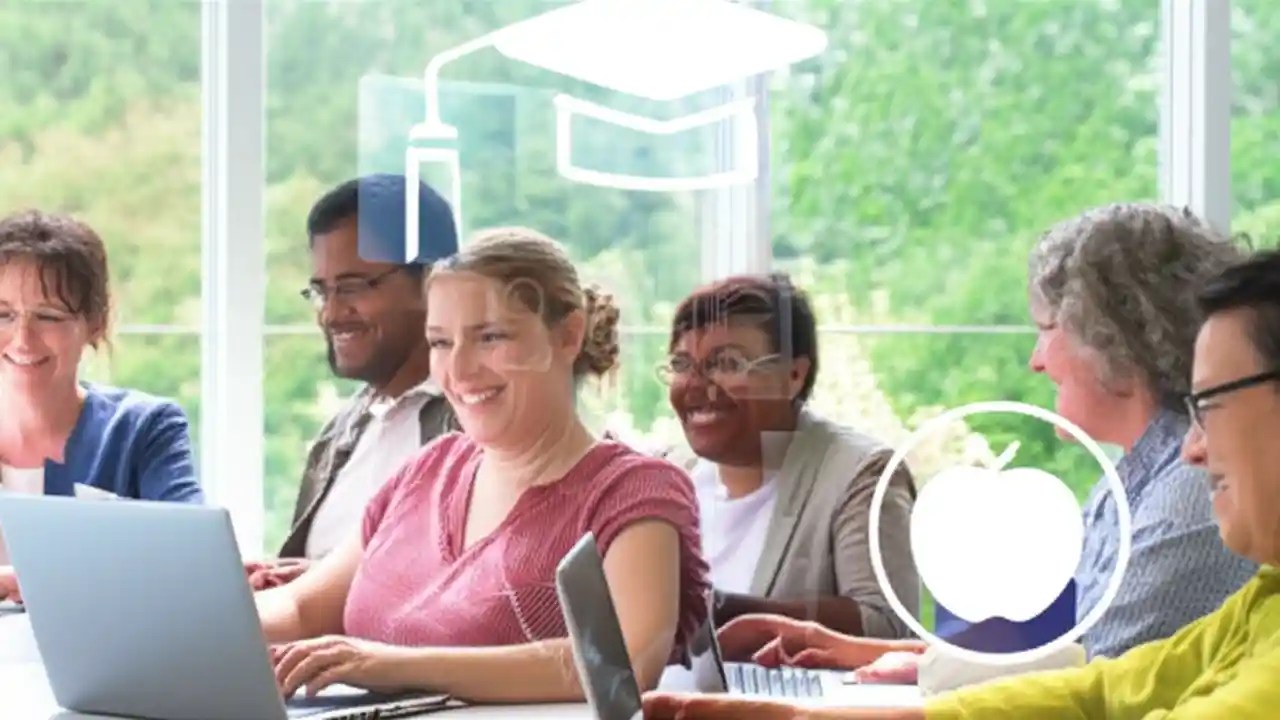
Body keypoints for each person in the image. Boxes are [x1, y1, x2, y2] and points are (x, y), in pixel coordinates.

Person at [642, 249, 1280, 719]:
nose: (1193, 447)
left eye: (1208, 408)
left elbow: (1103, 675)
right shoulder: (1264, 598)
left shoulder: (1180, 511)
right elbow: (1102, 686)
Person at [254, 226, 710, 703]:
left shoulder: (633, 492)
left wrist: (389, 664)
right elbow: (304, 608)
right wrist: (199, 620)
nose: (459, 370)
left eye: (490, 337)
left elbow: (624, 663)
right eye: (440, 343)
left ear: (569, 334)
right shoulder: (429, 470)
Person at [662, 273, 917, 644]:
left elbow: (887, 626)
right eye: (683, 364)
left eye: (728, 364)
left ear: (794, 375)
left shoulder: (862, 474)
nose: (697, 386)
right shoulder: (667, 472)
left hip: (788, 702)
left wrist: (719, 610)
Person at [247, 175, 460, 591]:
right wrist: (272, 579)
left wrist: (323, 587)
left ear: (433, 282)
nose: (330, 313)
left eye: (352, 287)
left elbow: (465, 591)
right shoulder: (343, 432)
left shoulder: (476, 423)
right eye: (321, 291)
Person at [0, 209, 202, 601]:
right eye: (2, 315)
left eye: (49, 316)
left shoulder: (144, 428)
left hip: (105, 660)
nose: (22, 339)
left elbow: (192, 563)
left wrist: (35, 580)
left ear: (94, 324)